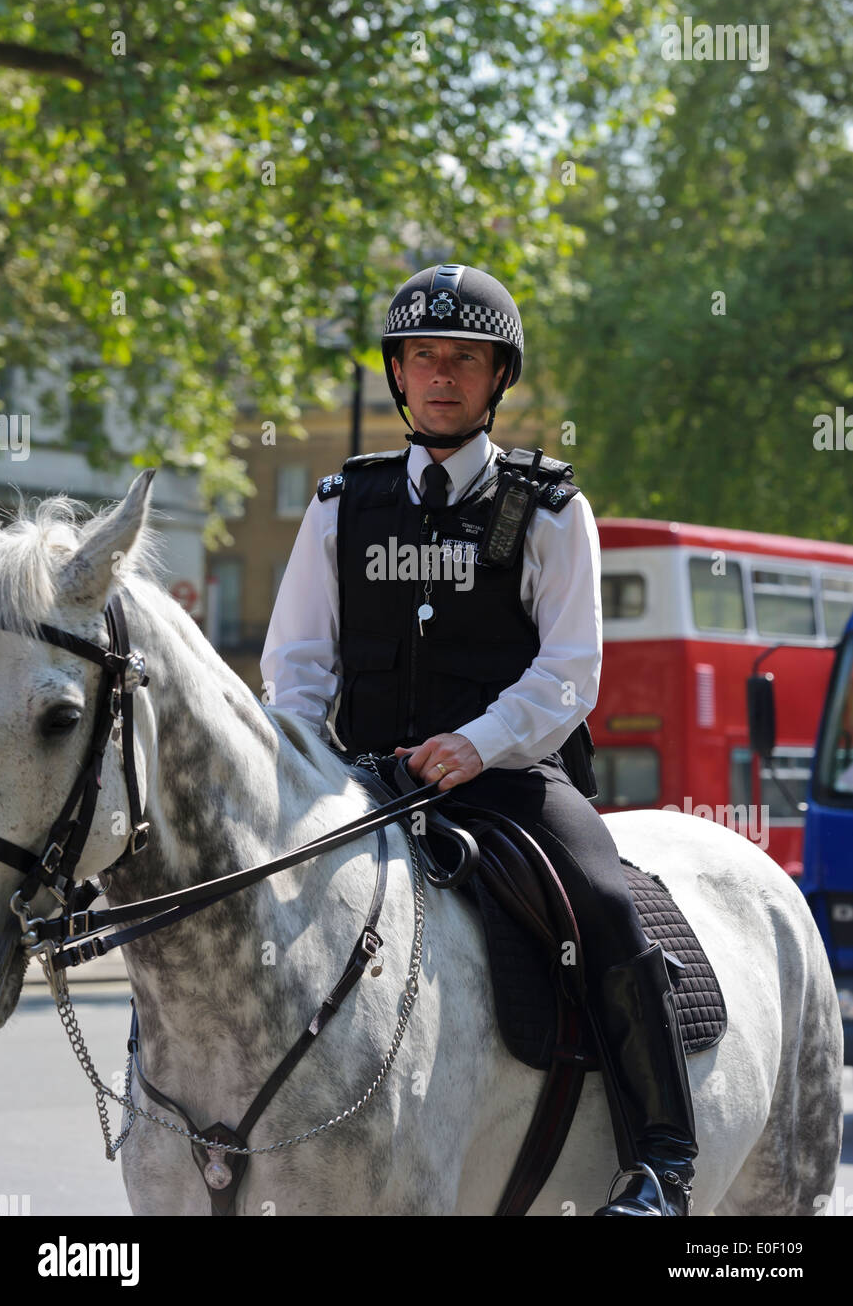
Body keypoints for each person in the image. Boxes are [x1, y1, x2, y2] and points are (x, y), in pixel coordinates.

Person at [260, 262, 698, 1216]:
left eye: (466, 357)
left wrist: (479, 741)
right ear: (398, 373)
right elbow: (294, 665)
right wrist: (307, 760)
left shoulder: (548, 508)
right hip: (362, 781)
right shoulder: (341, 504)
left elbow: (571, 673)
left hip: (508, 780)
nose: (443, 374)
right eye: (424, 356)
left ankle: (662, 1158)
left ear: (499, 378)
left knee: (607, 904)